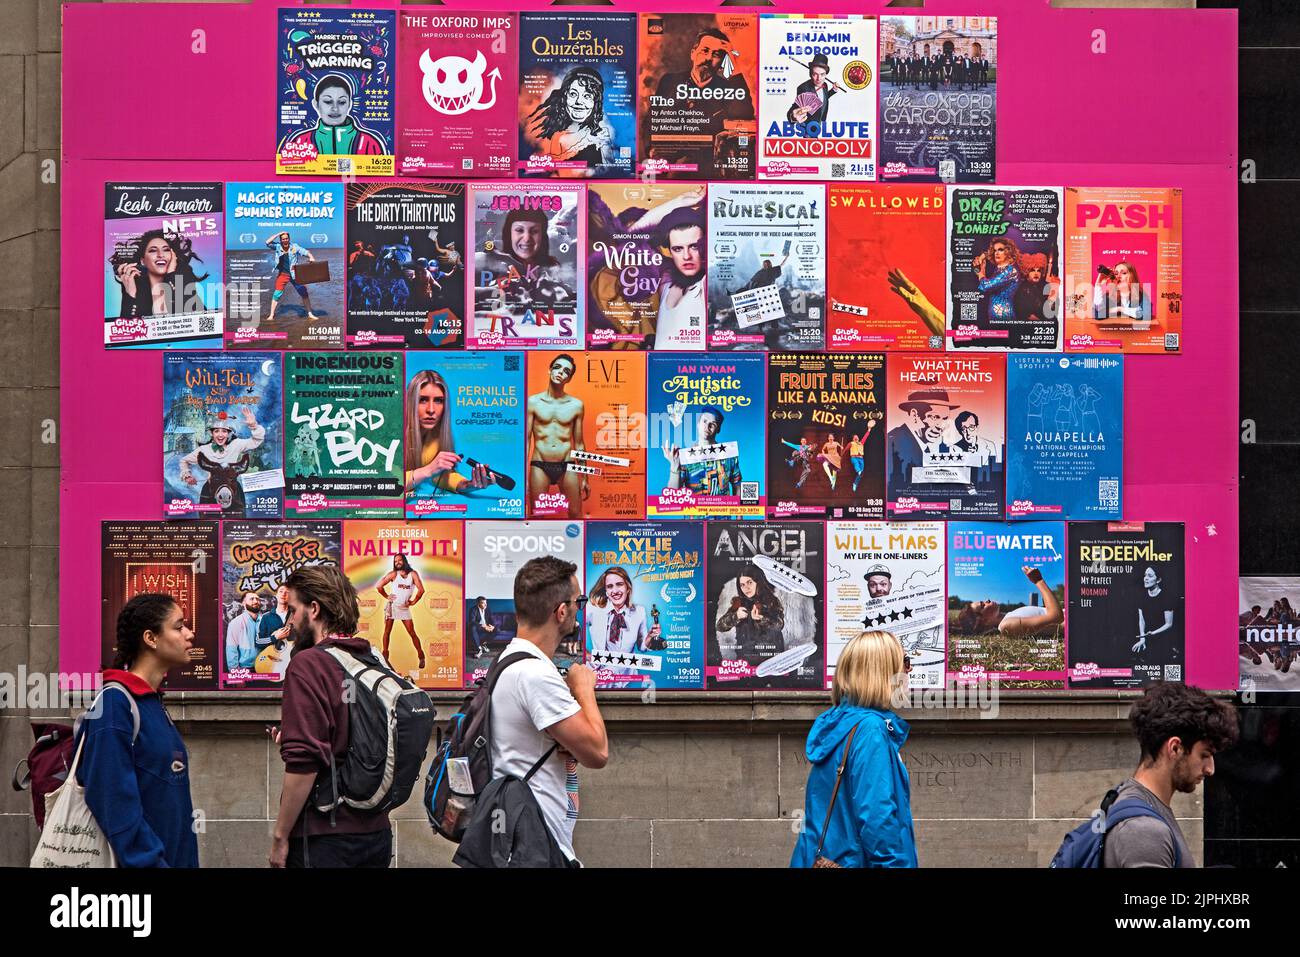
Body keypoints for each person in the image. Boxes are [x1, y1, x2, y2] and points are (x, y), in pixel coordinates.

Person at [270, 565, 393, 868]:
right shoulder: (373, 658)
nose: (290, 620)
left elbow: (304, 763)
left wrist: (280, 836)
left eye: (294, 610)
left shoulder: (309, 664)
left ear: (314, 609)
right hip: (376, 834)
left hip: (325, 838)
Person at [490, 556, 610, 865]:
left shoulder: (508, 662)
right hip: (536, 847)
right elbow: (597, 752)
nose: (579, 608)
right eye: (578, 601)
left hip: (523, 842)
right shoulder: (535, 676)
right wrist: (584, 689)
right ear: (561, 612)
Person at [76, 593, 200, 868]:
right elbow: (112, 801)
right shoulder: (114, 704)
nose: (190, 634)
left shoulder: (151, 702)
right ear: (150, 638)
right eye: (179, 627)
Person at [790, 630, 917, 868]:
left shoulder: (840, 723)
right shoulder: (870, 730)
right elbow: (877, 819)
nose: (909, 671)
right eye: (905, 663)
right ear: (883, 673)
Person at [1104, 682, 1238, 868]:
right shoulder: (1144, 831)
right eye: (1204, 755)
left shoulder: (1139, 801)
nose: (1210, 769)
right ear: (1175, 748)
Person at [403, 368, 491, 496]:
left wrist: (467, 484)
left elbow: (439, 476)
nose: (431, 409)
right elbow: (381, 484)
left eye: (438, 400)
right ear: (410, 402)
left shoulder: (434, 439)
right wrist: (428, 470)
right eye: (422, 399)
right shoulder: (389, 433)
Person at [525, 353, 587, 517]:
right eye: (557, 367)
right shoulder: (533, 402)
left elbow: (579, 444)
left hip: (567, 464)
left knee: (575, 514)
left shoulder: (576, 405)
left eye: (566, 371)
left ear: (569, 379)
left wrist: (585, 477)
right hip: (540, 464)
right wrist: (523, 475)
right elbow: (526, 441)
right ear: (549, 370)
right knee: (537, 514)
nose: (560, 372)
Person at [525, 66, 614, 175]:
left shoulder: (601, 137)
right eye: (573, 94)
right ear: (564, 97)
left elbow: (604, 170)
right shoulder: (556, 136)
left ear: (596, 102)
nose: (579, 102)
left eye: (587, 96)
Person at [178, 406, 265, 514]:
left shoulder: (237, 444)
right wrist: (187, 475)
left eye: (224, 431)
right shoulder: (204, 449)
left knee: (239, 516)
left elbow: (256, 441)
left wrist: (253, 425)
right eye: (216, 431)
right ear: (212, 433)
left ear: (228, 433)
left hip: (233, 487)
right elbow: (184, 461)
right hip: (210, 488)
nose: (220, 435)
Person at [279, 73, 388, 158]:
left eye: (341, 102)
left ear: (349, 104)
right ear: (316, 104)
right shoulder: (300, 142)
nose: (335, 108)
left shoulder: (369, 143)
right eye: (328, 101)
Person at [113, 228, 210, 318]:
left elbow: (202, 322)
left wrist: (172, 274)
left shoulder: (182, 282)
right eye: (153, 251)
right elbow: (127, 331)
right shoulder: (135, 291)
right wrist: (131, 296)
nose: (160, 255)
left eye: (166, 250)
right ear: (143, 261)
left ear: (173, 256)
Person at [587, 566, 659, 679]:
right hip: (597, 675)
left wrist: (650, 636)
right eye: (610, 586)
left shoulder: (639, 612)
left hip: (625, 677)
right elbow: (572, 627)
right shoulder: (593, 609)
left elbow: (642, 647)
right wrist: (586, 655)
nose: (615, 591)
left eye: (619, 584)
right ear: (606, 591)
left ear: (628, 587)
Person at [715, 563, 785, 666]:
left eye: (749, 582)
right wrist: (736, 616)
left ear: (757, 582)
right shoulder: (738, 603)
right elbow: (719, 626)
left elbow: (780, 625)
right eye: (742, 585)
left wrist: (762, 618)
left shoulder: (771, 600)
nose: (746, 588)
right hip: (745, 661)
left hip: (771, 660)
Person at [663, 405, 743, 496]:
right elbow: (672, 495)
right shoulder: (685, 457)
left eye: (713, 424)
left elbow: (737, 487)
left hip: (722, 508)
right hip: (694, 509)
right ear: (698, 424)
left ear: (718, 429)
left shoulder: (729, 455)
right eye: (704, 421)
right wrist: (674, 466)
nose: (707, 426)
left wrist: (737, 509)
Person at [377, 554, 426, 671]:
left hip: (404, 609)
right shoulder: (393, 574)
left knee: (412, 633)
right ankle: (385, 657)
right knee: (387, 632)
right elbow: (379, 586)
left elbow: (421, 590)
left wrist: (413, 601)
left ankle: (421, 656)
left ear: (404, 561)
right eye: (395, 561)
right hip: (392, 607)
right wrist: (387, 596)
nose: (397, 562)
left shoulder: (412, 574)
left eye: (399, 560)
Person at [264, 230, 321, 324]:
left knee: (304, 293)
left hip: (295, 274)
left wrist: (311, 257)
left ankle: (310, 314)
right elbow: (267, 242)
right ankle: (271, 315)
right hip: (283, 274)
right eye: (283, 239)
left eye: (286, 238)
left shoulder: (294, 246)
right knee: (276, 294)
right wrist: (279, 233)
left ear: (289, 239)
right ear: (281, 240)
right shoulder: (277, 246)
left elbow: (305, 252)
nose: (285, 240)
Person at [994, 566, 1064, 638]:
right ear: (982, 620)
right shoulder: (1006, 625)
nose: (987, 600)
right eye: (982, 606)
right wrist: (1038, 581)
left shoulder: (1010, 616)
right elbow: (1056, 617)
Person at [972, 238, 1022, 322]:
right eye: (995, 250)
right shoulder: (999, 269)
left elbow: (986, 286)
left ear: (1009, 252)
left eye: (1000, 250)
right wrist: (981, 267)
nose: (996, 253)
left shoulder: (1010, 270)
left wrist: (981, 273)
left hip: (1004, 316)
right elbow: (984, 282)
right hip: (993, 315)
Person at [1133, 565, 1178, 656]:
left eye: (1150, 576)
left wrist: (1153, 633)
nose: (1145, 578)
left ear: (1158, 580)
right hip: (1148, 639)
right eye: (1145, 575)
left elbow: (1169, 624)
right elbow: (1141, 620)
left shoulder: (1167, 597)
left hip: (1164, 641)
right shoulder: (1141, 596)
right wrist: (1142, 637)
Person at [787, 52, 836, 128]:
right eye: (815, 74)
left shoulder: (825, 85)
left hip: (821, 124)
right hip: (808, 127)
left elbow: (824, 98)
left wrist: (833, 90)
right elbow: (795, 109)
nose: (818, 79)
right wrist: (793, 117)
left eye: (822, 74)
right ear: (810, 74)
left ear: (826, 74)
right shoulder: (803, 88)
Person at [225, 591, 262, 674]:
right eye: (252, 599)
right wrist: (236, 675)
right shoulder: (236, 623)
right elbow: (231, 650)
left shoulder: (265, 620)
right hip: (246, 669)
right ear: (243, 603)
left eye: (257, 599)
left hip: (265, 665)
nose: (256, 601)